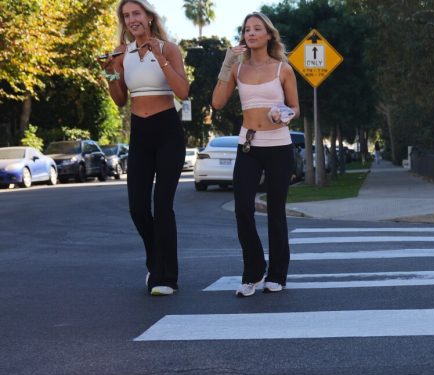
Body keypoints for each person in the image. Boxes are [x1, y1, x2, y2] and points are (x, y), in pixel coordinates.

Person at [100, 0, 189, 296]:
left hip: (168, 131)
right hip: (139, 133)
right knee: (138, 207)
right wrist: (110, 73)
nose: (131, 20)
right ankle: (155, 259)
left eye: (136, 13)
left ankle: (167, 277)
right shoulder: (122, 54)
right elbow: (120, 100)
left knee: (163, 206)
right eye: (126, 16)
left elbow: (183, 91)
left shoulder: (169, 49)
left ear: (149, 17)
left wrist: (158, 56)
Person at [211, 12, 299, 298]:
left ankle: (277, 275)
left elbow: (295, 109)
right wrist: (227, 63)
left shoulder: (282, 69)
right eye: (246, 29)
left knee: (275, 212)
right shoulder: (238, 68)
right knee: (242, 210)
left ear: (269, 35)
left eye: (256, 28)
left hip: (279, 147)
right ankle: (253, 270)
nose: (250, 33)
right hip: (248, 145)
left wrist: (283, 114)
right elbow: (217, 102)